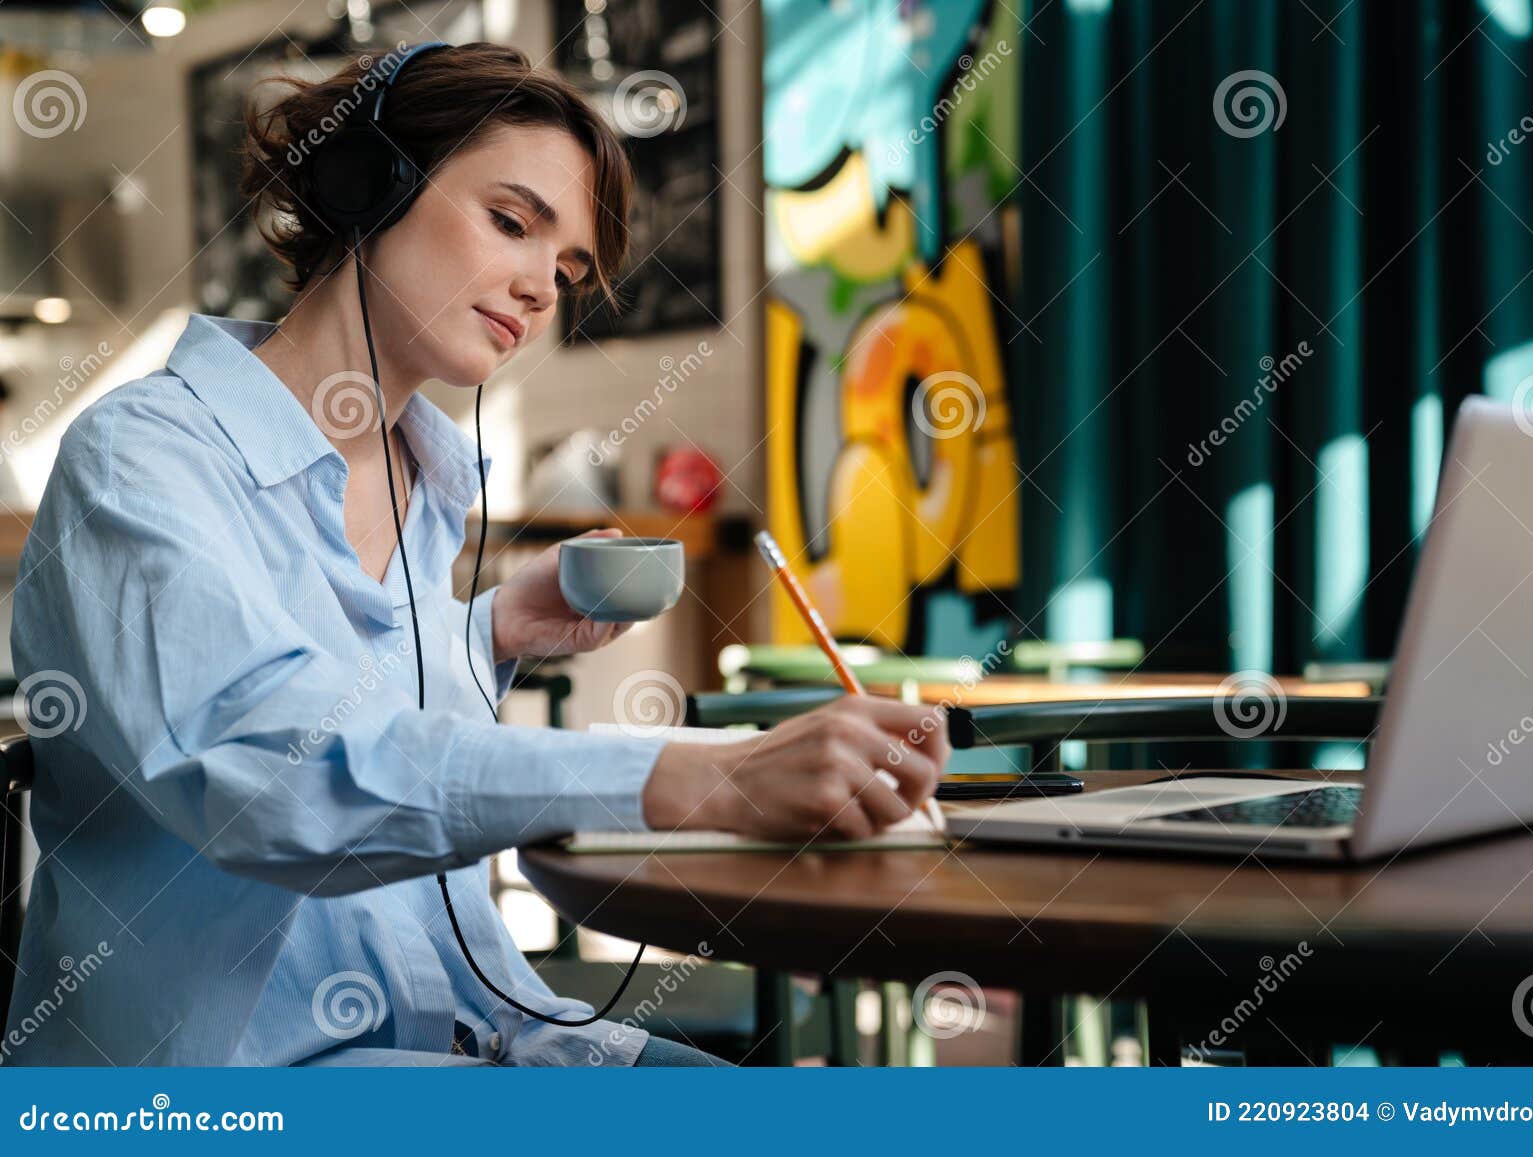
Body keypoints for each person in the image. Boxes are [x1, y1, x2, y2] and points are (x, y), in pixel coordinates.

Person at [1, 42, 948, 1068]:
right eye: (512, 222)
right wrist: (703, 777)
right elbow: (270, 771)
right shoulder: (139, 456)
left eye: (567, 267)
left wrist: (486, 631)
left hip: (468, 1022)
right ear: (364, 186)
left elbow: (351, 707)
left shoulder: (426, 483)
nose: (543, 288)